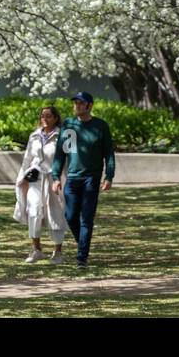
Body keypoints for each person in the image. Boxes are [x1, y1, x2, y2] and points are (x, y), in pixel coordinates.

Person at [50, 91, 115, 268]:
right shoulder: (68, 125)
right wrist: (55, 176)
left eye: (81, 103)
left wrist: (109, 176)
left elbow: (109, 153)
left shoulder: (100, 126)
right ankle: (83, 244)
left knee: (86, 218)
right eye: (75, 103)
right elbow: (60, 153)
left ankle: (82, 258)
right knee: (70, 216)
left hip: (91, 179)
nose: (77, 106)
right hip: (72, 178)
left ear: (89, 106)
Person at [13, 105, 68, 263]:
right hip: (35, 179)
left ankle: (58, 251)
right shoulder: (34, 136)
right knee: (34, 210)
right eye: (42, 116)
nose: (45, 119)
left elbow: (68, 159)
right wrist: (21, 177)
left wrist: (65, 179)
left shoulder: (62, 136)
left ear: (56, 118)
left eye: (49, 116)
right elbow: (27, 159)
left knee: (55, 213)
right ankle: (36, 249)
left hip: (55, 180)